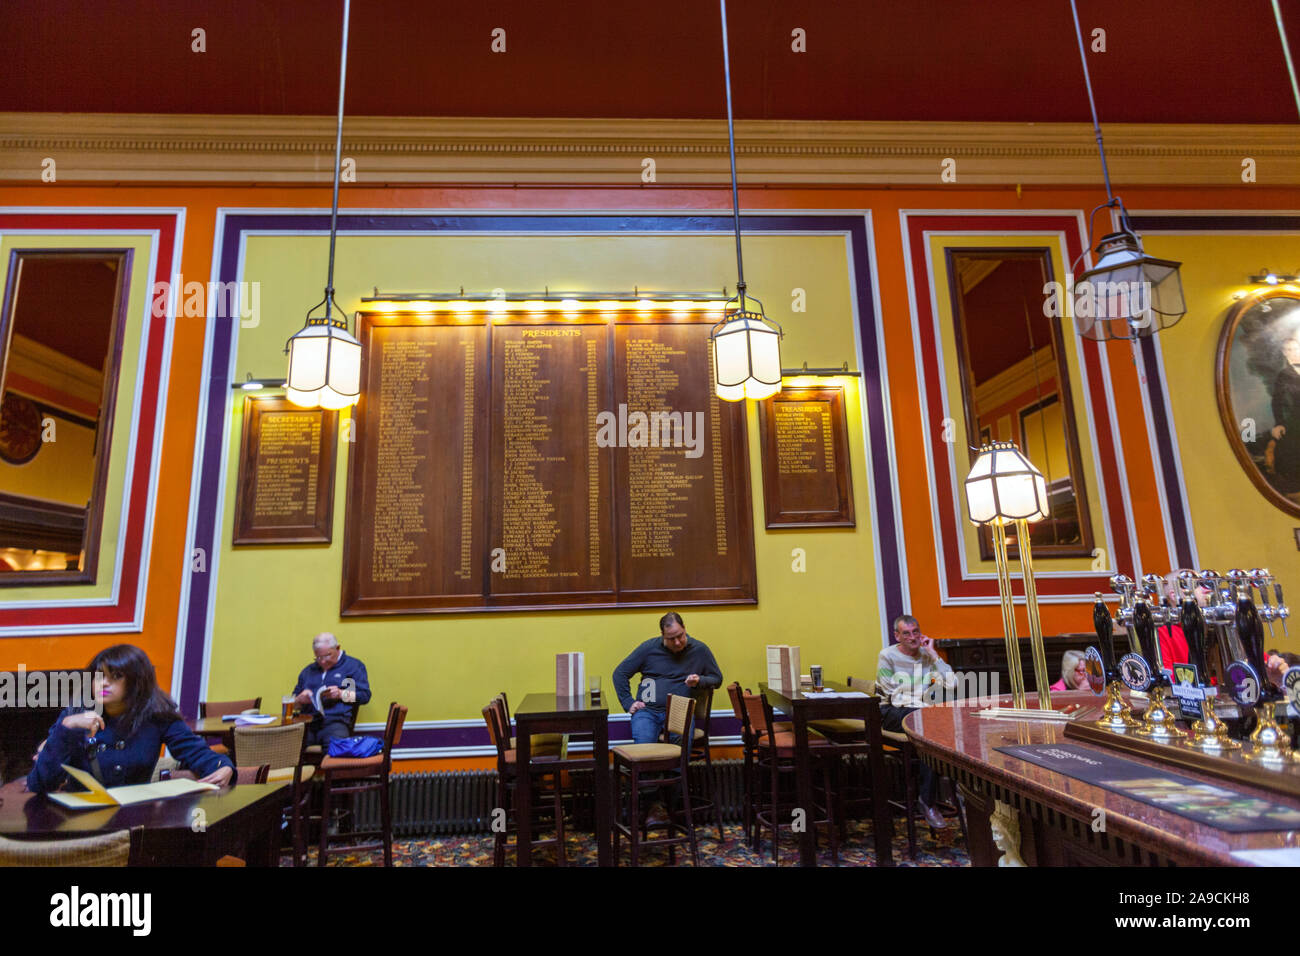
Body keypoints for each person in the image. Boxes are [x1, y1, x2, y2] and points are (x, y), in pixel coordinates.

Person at [27, 644, 233, 794]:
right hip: (78, 816)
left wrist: (223, 766)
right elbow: (38, 784)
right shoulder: (75, 714)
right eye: (100, 675)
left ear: (136, 682)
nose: (103, 683)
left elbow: (196, 753)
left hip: (133, 816)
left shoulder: (158, 716)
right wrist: (66, 728)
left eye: (115, 676)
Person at [877, 614, 956, 829]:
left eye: (916, 632)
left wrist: (934, 654)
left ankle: (930, 798)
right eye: (906, 633)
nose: (913, 638)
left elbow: (952, 683)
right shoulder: (887, 656)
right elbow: (893, 694)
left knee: (937, 725)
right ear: (897, 636)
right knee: (931, 722)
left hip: (922, 713)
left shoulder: (927, 656)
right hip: (892, 712)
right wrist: (923, 707)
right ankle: (929, 800)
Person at [613, 612, 722, 745]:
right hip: (647, 710)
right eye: (671, 638)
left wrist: (699, 680)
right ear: (662, 635)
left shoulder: (699, 650)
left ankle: (677, 767)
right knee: (643, 746)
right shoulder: (649, 648)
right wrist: (628, 702)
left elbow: (717, 679)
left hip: (680, 710)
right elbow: (620, 673)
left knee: (680, 746)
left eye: (680, 636)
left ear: (684, 628)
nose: (677, 642)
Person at [292, 633, 371, 747]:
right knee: (287, 746)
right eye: (318, 657)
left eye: (327, 655)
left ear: (337, 648)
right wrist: (299, 700)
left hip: (336, 722)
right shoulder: (308, 671)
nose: (323, 661)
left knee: (334, 748)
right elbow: (293, 704)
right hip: (307, 723)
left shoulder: (353, 666)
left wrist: (341, 694)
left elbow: (364, 696)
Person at [1268, 335, 1300, 494]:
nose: (1293, 352)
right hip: (1296, 419)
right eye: (1289, 350)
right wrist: (1279, 423)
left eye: (1295, 349)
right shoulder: (1284, 375)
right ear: (1284, 353)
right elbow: (1277, 401)